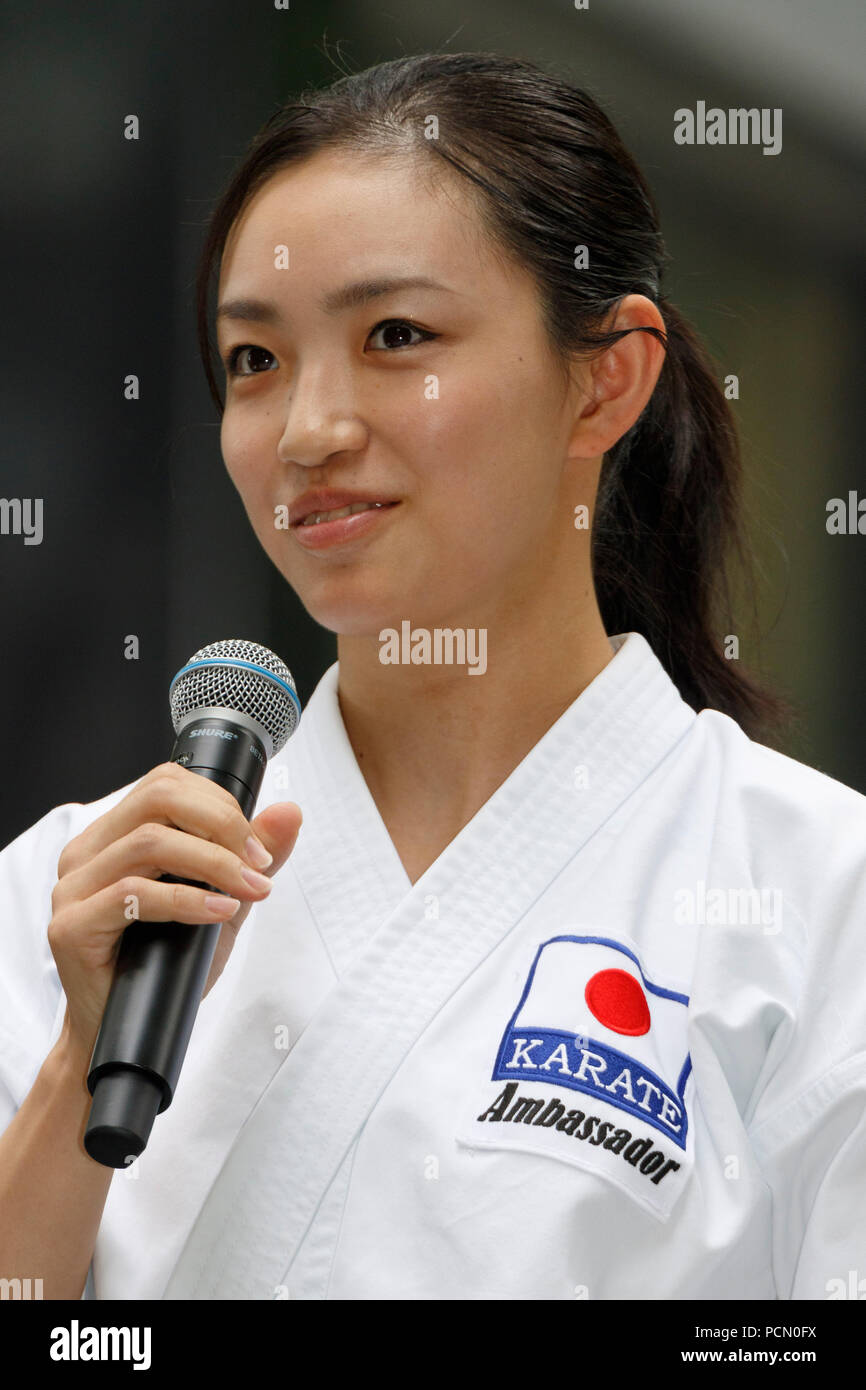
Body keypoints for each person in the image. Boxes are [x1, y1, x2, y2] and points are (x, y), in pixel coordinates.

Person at [1, 50, 864, 1302]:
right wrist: (85, 1047)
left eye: (396, 335)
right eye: (254, 360)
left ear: (604, 376)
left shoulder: (818, 899)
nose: (306, 432)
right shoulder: (72, 892)